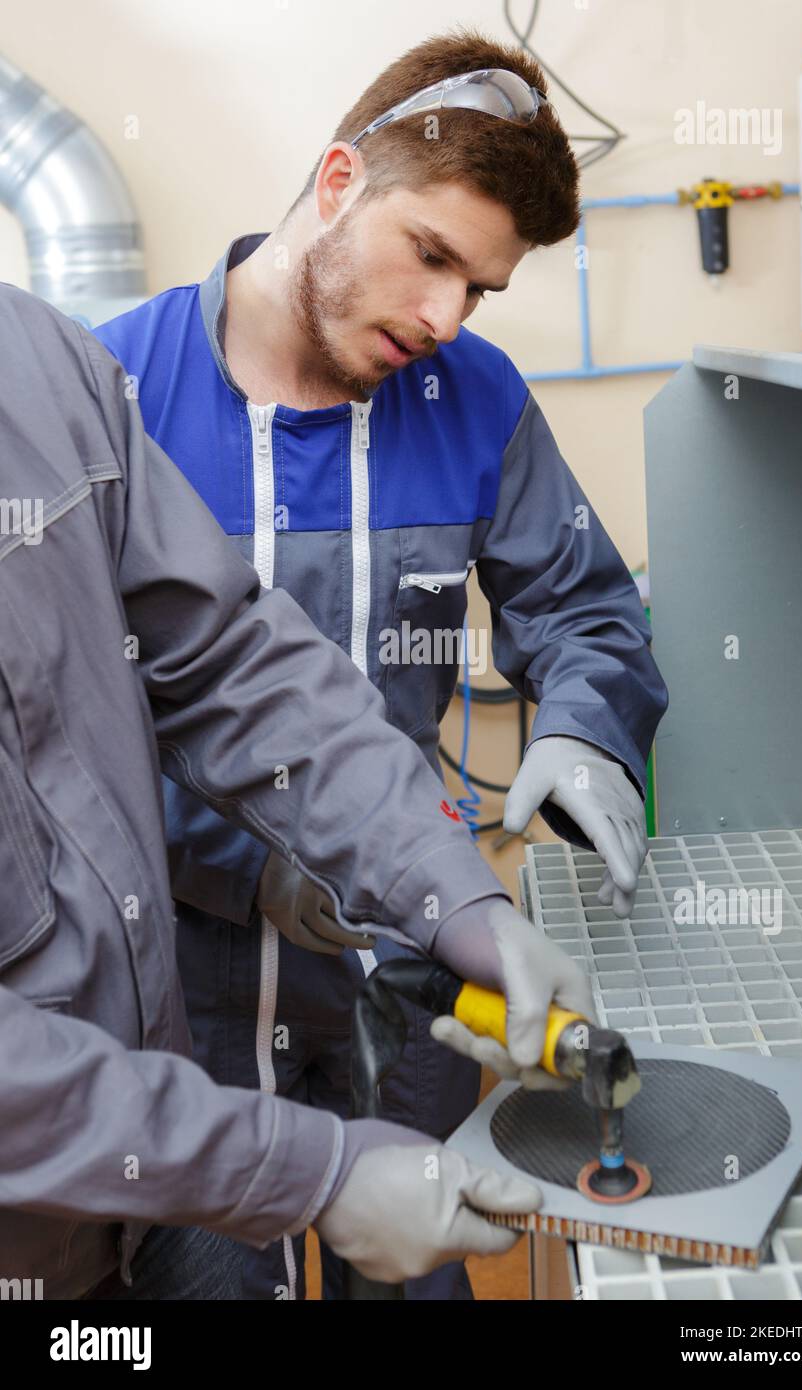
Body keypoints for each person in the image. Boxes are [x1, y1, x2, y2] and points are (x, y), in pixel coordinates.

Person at [94, 30, 667, 1301]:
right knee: (201, 1284)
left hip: (411, 961)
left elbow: (583, 609)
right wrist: (249, 871)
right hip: (176, 991)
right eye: (432, 258)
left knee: (422, 1271)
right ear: (341, 181)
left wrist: (584, 726)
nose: (447, 316)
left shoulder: (472, 398)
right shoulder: (108, 394)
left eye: (482, 288)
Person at [0, 279, 597, 1299]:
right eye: (428, 254)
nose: (447, 313)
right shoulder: (136, 357)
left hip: (154, 1165)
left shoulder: (34, 359)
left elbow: (220, 657)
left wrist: (450, 889)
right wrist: (304, 1171)